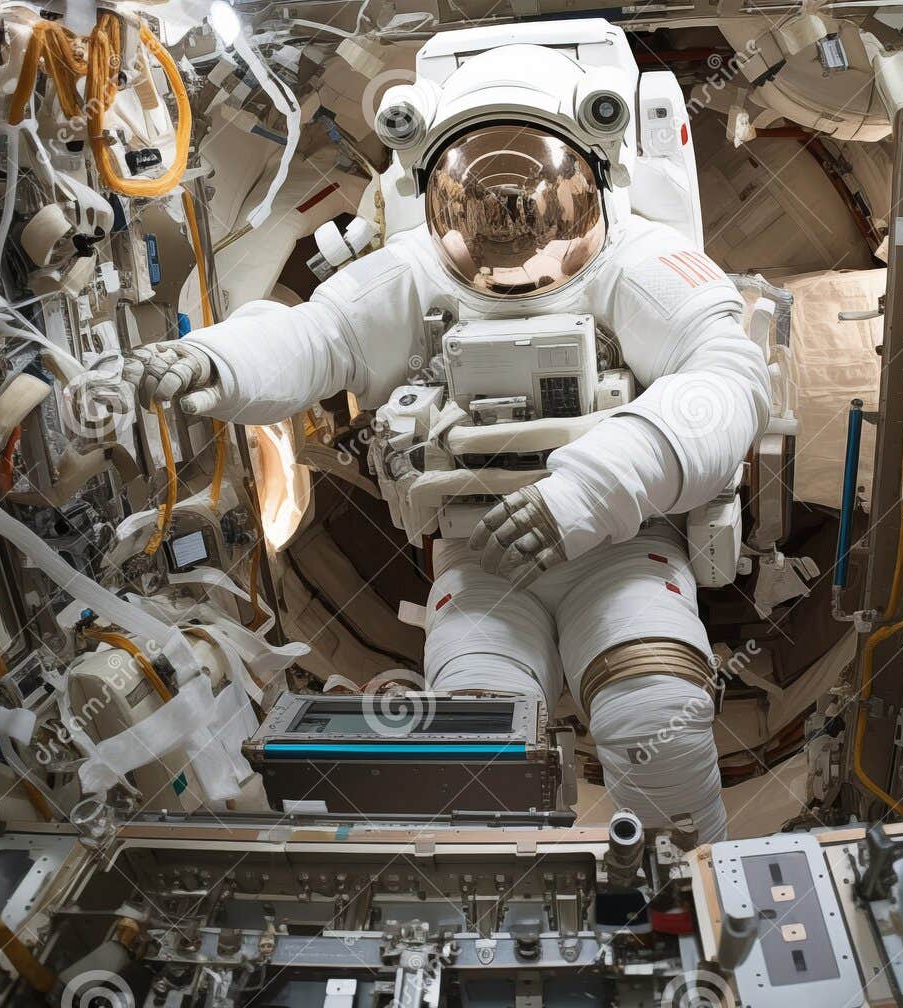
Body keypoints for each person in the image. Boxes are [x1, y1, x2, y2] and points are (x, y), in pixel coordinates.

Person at [124, 34, 769, 842]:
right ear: (438, 188)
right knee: (475, 750)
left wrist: (586, 490)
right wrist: (209, 359)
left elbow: (728, 380)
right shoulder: (413, 271)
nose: (508, 225)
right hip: (481, 555)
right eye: (481, 201)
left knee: (658, 714)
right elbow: (313, 339)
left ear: (588, 173)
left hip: (623, 545)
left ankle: (684, 894)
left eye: (530, 196)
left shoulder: (637, 260)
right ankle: (506, 919)